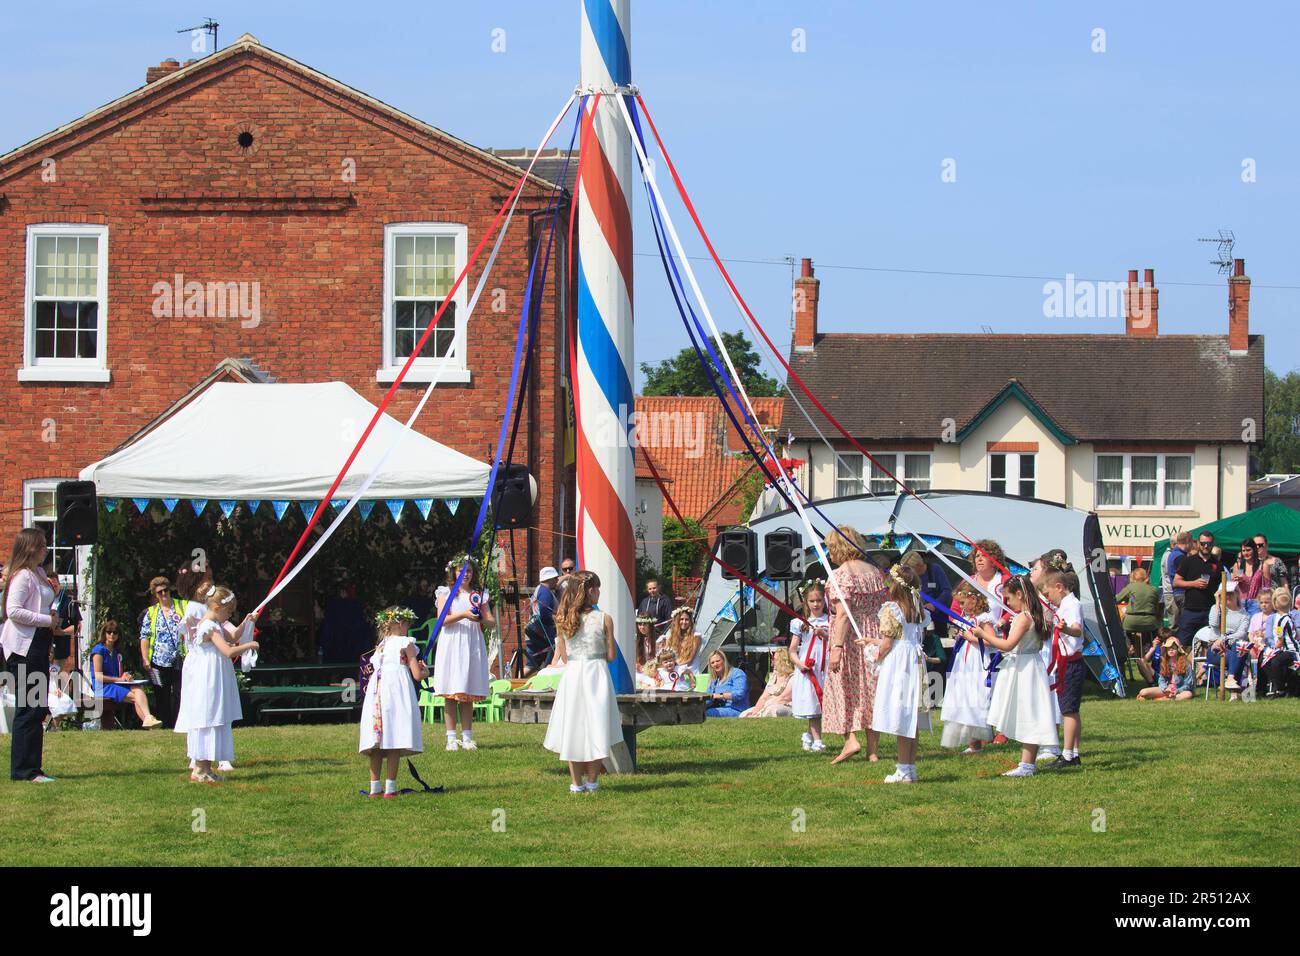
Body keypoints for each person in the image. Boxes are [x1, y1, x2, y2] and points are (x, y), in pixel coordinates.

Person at [2, 528, 76, 783]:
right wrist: (46, 620)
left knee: (38, 708)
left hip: (38, 644)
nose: (46, 549)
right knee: (29, 707)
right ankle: (23, 770)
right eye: (43, 545)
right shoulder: (22, 576)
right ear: (31, 548)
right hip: (23, 649)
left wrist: (52, 606)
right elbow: (14, 611)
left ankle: (33, 767)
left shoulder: (39, 573)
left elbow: (41, 603)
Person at [543, 571, 622, 792]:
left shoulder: (563, 617)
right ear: (588, 591)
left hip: (574, 673)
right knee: (596, 723)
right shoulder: (604, 618)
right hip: (596, 673)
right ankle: (592, 781)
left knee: (574, 725)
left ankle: (576, 783)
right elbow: (611, 655)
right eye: (596, 589)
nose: (598, 593)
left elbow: (564, 655)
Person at [174, 587, 258, 783]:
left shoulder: (216, 624)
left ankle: (206, 768)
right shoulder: (209, 626)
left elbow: (233, 636)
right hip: (208, 676)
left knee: (215, 715)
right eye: (228, 611)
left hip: (216, 673)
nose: (230, 615)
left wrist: (247, 622)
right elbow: (228, 651)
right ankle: (201, 769)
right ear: (217, 607)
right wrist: (250, 646)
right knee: (208, 715)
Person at [981, 575, 1060, 777]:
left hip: (1025, 668)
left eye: (1008, 598)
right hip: (1030, 665)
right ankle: (1027, 763)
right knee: (1029, 712)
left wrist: (984, 636)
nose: (1007, 603)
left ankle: (1027, 765)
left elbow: (1008, 645)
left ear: (1019, 594)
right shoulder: (1035, 615)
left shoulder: (1024, 617)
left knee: (1028, 713)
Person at [821, 525, 886, 765]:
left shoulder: (840, 575)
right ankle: (873, 751)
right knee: (870, 692)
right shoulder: (875, 572)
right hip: (872, 636)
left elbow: (843, 615)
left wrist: (837, 647)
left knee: (844, 689)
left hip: (849, 638)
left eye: (830, 548)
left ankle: (851, 739)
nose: (829, 553)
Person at [872, 564, 933, 784]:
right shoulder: (918, 609)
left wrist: (875, 655)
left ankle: (903, 768)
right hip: (914, 661)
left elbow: (888, 644)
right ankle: (910, 767)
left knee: (901, 715)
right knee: (911, 716)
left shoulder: (892, 609)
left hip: (899, 664)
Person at [359, 607, 427, 798]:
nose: (408, 628)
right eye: (407, 624)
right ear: (400, 623)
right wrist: (426, 672)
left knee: (377, 742)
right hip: (396, 690)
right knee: (394, 737)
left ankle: (374, 788)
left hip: (377, 692)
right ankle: (390, 788)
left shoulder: (381, 646)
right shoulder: (407, 643)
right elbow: (417, 674)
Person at [433, 556, 494, 752]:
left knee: (466, 691)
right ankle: (451, 737)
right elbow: (442, 619)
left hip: (471, 642)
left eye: (468, 571)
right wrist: (464, 615)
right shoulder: (447, 593)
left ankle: (467, 736)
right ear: (454, 572)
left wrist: (480, 618)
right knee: (451, 692)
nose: (465, 574)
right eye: (461, 570)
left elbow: (491, 621)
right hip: (452, 642)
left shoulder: (479, 595)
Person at [940, 582, 996, 753]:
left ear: (973, 599)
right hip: (964, 662)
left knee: (975, 697)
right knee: (964, 697)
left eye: (963, 603)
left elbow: (990, 640)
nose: (961, 607)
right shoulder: (967, 619)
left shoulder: (983, 619)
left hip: (976, 661)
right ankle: (972, 743)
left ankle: (977, 743)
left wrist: (970, 638)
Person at [1041, 567, 1085, 769]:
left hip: (1070, 663)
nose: (1048, 599)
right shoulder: (1064, 606)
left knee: (1068, 710)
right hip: (1064, 662)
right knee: (1071, 710)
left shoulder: (1072, 605)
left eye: (1048, 594)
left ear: (1059, 587)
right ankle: (1073, 753)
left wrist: (1065, 628)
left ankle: (1068, 754)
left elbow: (1077, 629)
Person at [91, 620, 162, 729]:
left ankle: (149, 720)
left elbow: (119, 673)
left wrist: (126, 676)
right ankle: (149, 721)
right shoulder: (99, 650)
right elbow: (98, 676)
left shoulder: (116, 652)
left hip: (115, 684)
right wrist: (119, 679)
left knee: (138, 688)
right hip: (103, 687)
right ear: (104, 633)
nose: (112, 635)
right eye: (109, 632)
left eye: (115, 632)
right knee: (135, 697)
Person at [138, 575, 188, 728]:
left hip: (181, 658)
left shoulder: (183, 606)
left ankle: (180, 724)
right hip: (158, 660)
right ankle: (163, 725)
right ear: (155, 594)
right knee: (161, 694)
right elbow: (144, 636)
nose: (164, 594)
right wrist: (145, 658)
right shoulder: (151, 612)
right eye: (160, 592)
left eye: (166, 590)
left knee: (180, 692)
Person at [788, 580, 829, 752]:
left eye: (819, 600)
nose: (816, 604)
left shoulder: (831, 621)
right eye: (812, 601)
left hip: (826, 666)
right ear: (806, 602)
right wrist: (800, 664)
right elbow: (792, 650)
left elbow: (836, 642)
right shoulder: (800, 623)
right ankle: (818, 741)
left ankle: (809, 735)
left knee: (823, 704)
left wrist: (825, 634)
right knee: (813, 705)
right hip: (809, 667)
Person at [1173, 532, 1222, 648]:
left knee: (1209, 645)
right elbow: (1176, 582)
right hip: (1191, 610)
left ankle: (1202, 666)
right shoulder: (1188, 561)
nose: (1206, 546)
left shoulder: (1217, 564)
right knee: (1183, 644)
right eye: (1203, 543)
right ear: (1198, 544)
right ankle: (1183, 666)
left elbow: (1223, 586)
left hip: (1210, 611)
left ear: (1212, 544)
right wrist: (1194, 583)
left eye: (1208, 544)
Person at [1203, 581, 1251, 698]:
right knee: (1240, 654)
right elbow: (1213, 624)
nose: (1228, 596)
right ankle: (1234, 691)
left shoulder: (1244, 614)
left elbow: (1241, 634)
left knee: (1240, 647)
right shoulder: (1216, 608)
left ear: (1237, 594)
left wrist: (1223, 638)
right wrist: (1217, 603)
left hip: (1234, 648)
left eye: (1230, 593)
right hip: (1216, 650)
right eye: (1225, 594)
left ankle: (1230, 679)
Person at [900, 551, 952, 643]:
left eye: (910, 569)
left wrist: (934, 605)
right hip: (918, 617)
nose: (908, 573)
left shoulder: (935, 570)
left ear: (919, 565)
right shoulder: (910, 577)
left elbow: (947, 591)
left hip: (937, 617)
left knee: (939, 644)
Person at [1259, 587, 1300, 698]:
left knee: (1275, 661)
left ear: (1275, 604)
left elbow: (1280, 639)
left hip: (1291, 650)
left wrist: (1275, 648)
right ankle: (1264, 688)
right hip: (1282, 648)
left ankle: (1280, 689)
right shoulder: (1285, 618)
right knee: (1265, 659)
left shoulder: (1283, 620)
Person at [1116, 567, 1161, 659]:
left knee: (1122, 630)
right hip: (1150, 622)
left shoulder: (1130, 587)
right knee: (1152, 632)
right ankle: (1150, 652)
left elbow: (1116, 599)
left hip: (1131, 622)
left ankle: (1129, 647)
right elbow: (1156, 609)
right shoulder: (1154, 589)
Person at [523, 566, 560, 676]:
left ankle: (517, 681)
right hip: (543, 635)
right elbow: (544, 613)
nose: (557, 580)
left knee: (532, 664)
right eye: (555, 578)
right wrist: (556, 621)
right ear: (550, 579)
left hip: (535, 634)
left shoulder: (539, 589)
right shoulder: (545, 592)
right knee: (551, 663)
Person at [1137, 636, 1194, 701]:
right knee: (1143, 692)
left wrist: (1177, 691)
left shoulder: (1186, 664)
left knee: (1188, 694)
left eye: (1173, 648)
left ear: (1178, 650)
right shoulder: (1164, 662)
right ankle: (1167, 697)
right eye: (1168, 648)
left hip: (1180, 690)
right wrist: (1165, 689)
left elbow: (1188, 684)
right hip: (1167, 689)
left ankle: (1160, 699)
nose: (1171, 650)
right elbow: (1161, 680)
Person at [739, 649, 794, 717]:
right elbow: (764, 697)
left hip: (785, 705)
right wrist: (755, 711)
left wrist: (763, 708)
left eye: (775, 659)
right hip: (768, 704)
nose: (772, 662)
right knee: (744, 714)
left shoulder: (793, 678)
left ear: (782, 662)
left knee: (772, 710)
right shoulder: (773, 677)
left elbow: (784, 698)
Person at [704, 650, 749, 717]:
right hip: (719, 708)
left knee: (708, 713)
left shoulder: (737, 673)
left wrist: (719, 695)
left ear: (724, 660)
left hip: (737, 709)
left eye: (718, 661)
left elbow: (739, 694)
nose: (715, 664)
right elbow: (708, 698)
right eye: (712, 663)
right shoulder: (714, 679)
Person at [1162, 532, 1191, 630]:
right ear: (1187, 541)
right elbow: (1187, 575)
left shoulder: (1174, 554)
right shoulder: (1179, 556)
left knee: (1177, 623)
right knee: (1181, 624)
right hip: (1180, 592)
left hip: (1176, 592)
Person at [1230, 539, 1266, 615]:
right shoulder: (1238, 565)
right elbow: (1233, 587)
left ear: (1254, 550)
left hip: (1256, 603)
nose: (1245, 553)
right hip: (1240, 602)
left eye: (1248, 550)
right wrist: (1236, 581)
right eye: (1243, 551)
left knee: (1255, 626)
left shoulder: (1263, 565)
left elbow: (1266, 587)